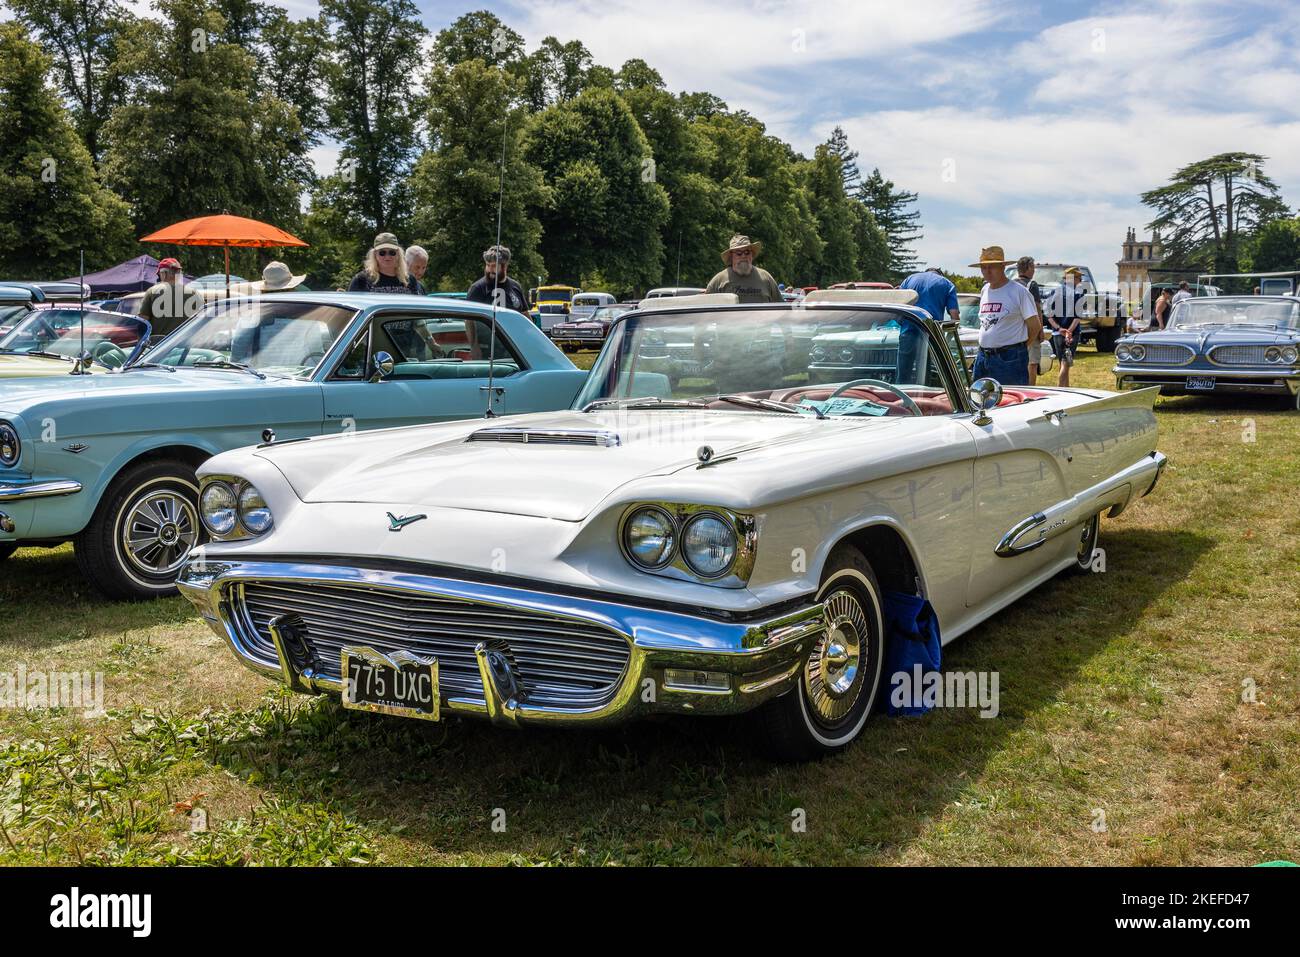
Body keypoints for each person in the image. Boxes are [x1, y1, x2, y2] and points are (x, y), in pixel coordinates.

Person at [969, 245, 1037, 387]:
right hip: (983, 356)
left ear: (1002, 267)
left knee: (1009, 397)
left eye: (992, 267)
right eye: (983, 268)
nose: (987, 271)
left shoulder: (1019, 291)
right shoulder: (985, 290)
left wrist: (1018, 349)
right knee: (978, 397)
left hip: (1009, 358)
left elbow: (1035, 326)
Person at [899, 267, 959, 382]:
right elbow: (954, 317)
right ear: (940, 275)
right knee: (924, 374)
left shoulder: (909, 279)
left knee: (903, 373)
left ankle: (900, 391)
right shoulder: (947, 284)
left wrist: (903, 323)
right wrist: (946, 340)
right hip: (931, 333)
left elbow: (897, 307)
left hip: (908, 331)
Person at [138, 257, 203, 338]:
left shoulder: (152, 292)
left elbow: (143, 321)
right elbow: (202, 320)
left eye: (159, 274)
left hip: (158, 344)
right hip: (184, 343)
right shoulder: (194, 293)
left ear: (164, 274)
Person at [705, 235, 782, 303]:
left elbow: (780, 306)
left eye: (747, 252)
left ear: (752, 254)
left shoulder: (766, 278)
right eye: (739, 253)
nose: (743, 256)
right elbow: (705, 308)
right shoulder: (719, 281)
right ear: (731, 256)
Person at [1043, 267, 1086, 387]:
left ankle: (1066, 389)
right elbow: (1077, 317)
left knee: (1062, 363)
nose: (1080, 280)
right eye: (1079, 278)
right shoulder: (1079, 293)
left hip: (1057, 333)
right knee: (1065, 364)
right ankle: (1061, 391)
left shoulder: (1055, 291)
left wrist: (1058, 328)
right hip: (1072, 333)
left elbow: (1047, 313)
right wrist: (1069, 332)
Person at [466, 244, 530, 316]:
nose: (490, 270)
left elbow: (525, 314)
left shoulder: (516, 286)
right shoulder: (477, 288)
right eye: (488, 265)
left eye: (494, 266)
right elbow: (469, 319)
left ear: (505, 266)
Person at [347, 233, 420, 294]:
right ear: (375, 254)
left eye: (392, 252)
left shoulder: (410, 280)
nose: (387, 257)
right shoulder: (361, 280)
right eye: (382, 253)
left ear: (398, 254)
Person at [1013, 255, 1046, 382]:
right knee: (1032, 363)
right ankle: (1030, 387)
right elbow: (1037, 309)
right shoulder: (1032, 285)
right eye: (1033, 268)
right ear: (1029, 268)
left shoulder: (1011, 284)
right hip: (1030, 328)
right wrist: (1040, 330)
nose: (1034, 271)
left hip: (1015, 329)